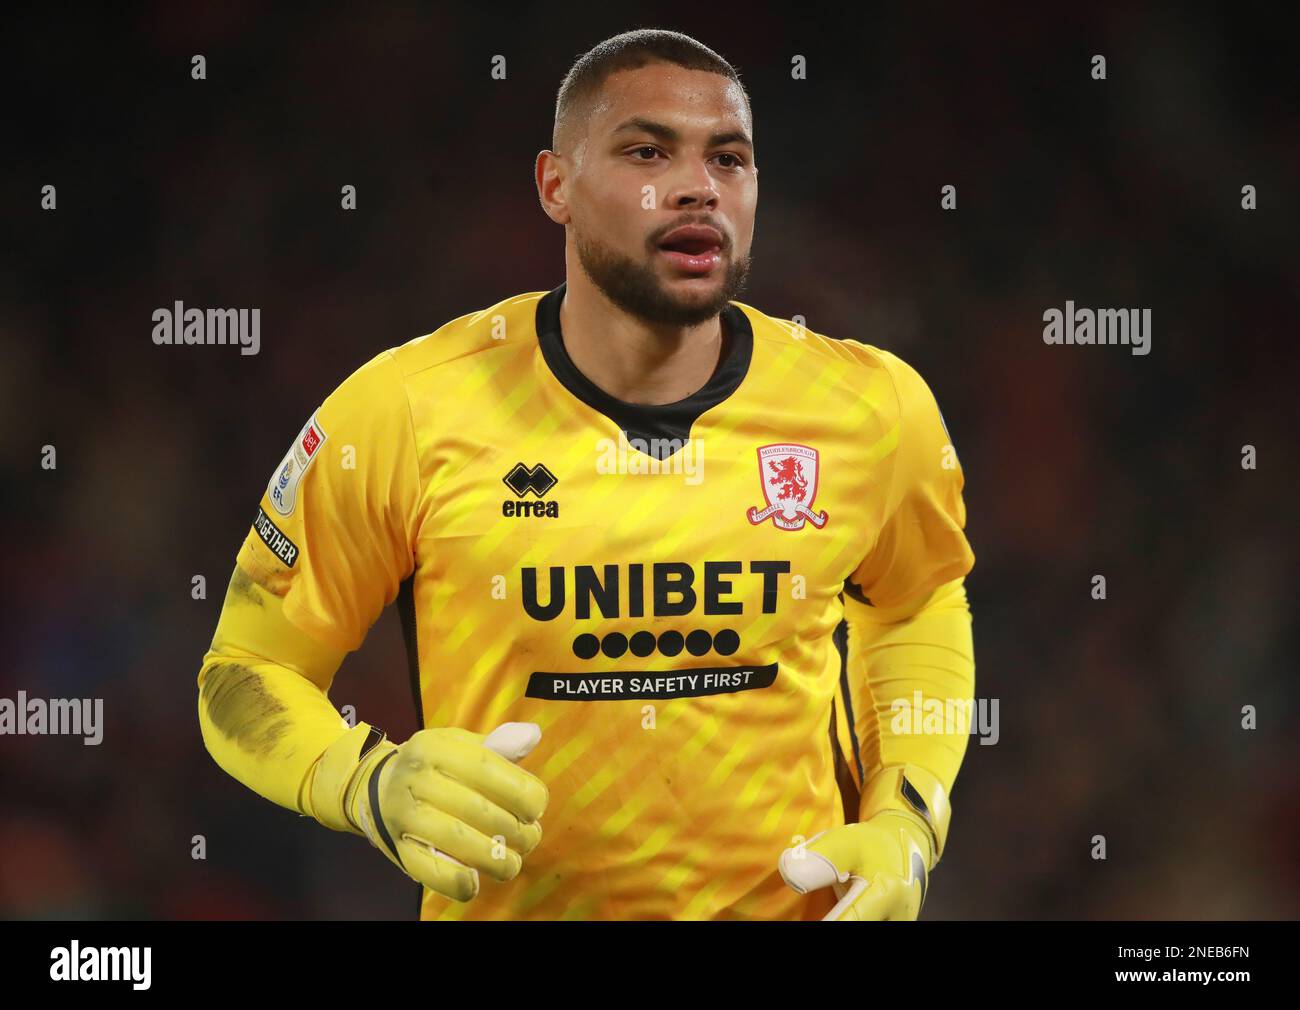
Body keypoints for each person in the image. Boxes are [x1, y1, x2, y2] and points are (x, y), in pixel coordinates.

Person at [197, 28, 976, 921]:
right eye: (648, 152)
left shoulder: (871, 408)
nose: (698, 186)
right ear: (555, 186)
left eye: (728, 159)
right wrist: (363, 782)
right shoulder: (404, 411)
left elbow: (917, 605)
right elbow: (244, 670)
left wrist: (908, 817)